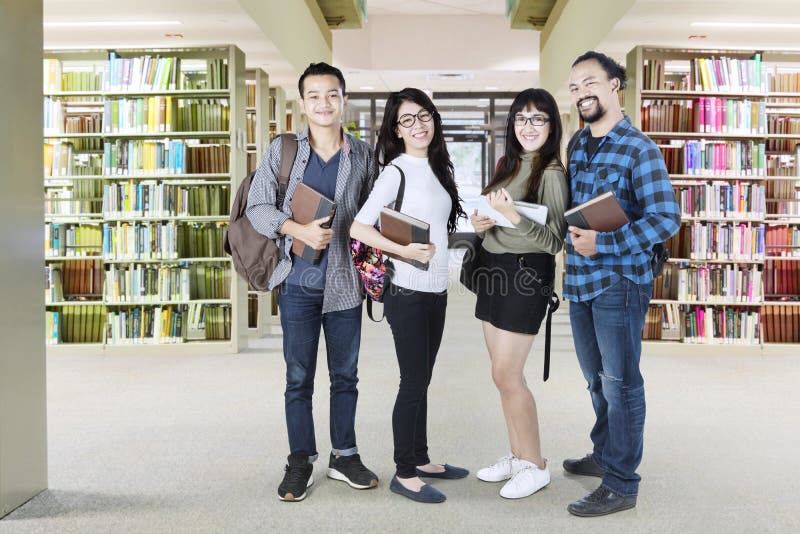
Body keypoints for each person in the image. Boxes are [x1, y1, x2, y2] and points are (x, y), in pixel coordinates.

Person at [246, 62, 379, 502]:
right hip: (298, 283)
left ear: (344, 99)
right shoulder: (283, 149)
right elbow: (258, 208)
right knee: (298, 377)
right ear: (303, 103)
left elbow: (375, 214)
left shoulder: (362, 154)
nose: (324, 103)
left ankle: (344, 455)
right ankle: (300, 459)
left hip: (344, 283)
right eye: (315, 96)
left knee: (346, 375)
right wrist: (295, 229)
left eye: (332, 94)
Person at [563, 51, 680, 517]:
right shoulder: (576, 143)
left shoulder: (638, 147)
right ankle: (606, 451)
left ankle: (621, 483)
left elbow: (666, 217)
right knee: (596, 380)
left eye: (589, 82)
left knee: (622, 382)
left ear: (615, 85)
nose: (580, 93)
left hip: (620, 282)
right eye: (573, 87)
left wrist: (605, 244)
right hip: (579, 281)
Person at [350, 88, 468, 503]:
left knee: (423, 380)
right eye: (407, 120)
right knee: (412, 381)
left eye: (424, 116)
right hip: (407, 290)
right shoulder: (395, 171)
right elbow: (359, 228)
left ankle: (421, 457)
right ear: (395, 130)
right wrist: (402, 250)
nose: (418, 125)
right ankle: (404, 472)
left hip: (436, 288)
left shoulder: (435, 167)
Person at [469, 88, 569, 499]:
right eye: (522, 119)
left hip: (526, 278)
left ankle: (535, 465)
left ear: (551, 125)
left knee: (506, 374)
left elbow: (554, 240)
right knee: (502, 376)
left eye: (539, 119)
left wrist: (512, 217)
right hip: (493, 272)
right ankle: (517, 455)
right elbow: (500, 221)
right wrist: (485, 224)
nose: (529, 127)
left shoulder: (551, 173)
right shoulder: (507, 165)